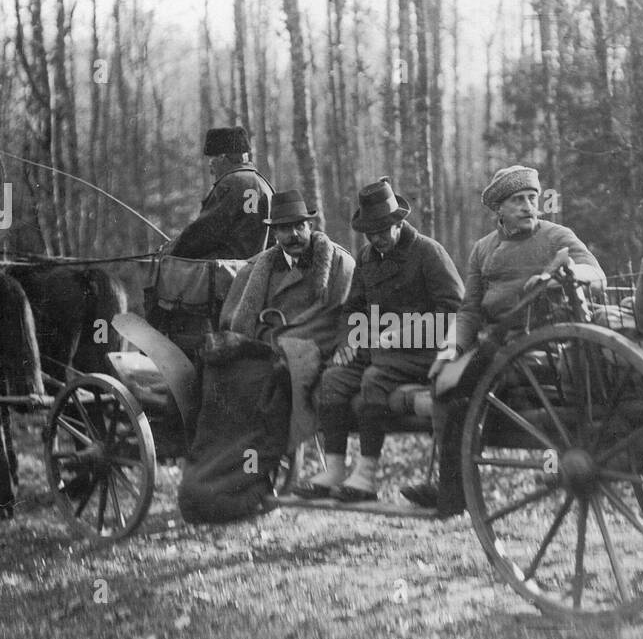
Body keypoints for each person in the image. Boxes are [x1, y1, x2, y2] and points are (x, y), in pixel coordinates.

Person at [401, 165, 605, 514]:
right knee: (444, 383)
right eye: (518, 200)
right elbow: (469, 311)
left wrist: (560, 276)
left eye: (532, 198)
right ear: (499, 210)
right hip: (498, 343)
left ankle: (453, 495)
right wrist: (450, 349)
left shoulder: (556, 236)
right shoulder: (483, 249)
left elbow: (595, 274)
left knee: (467, 388)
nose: (528, 206)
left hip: (546, 346)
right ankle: (450, 484)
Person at [294, 178, 464, 503]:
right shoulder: (368, 258)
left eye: (384, 231)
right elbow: (352, 309)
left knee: (375, 377)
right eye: (371, 233)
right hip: (379, 350)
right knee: (333, 379)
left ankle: (366, 476)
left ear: (400, 223)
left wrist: (402, 334)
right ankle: (333, 470)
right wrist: (347, 342)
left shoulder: (428, 252)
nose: (378, 239)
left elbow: (454, 312)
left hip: (426, 352)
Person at [218, 189, 354, 360]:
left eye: (299, 226)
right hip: (265, 352)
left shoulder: (339, 263)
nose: (294, 235)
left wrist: (283, 341)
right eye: (285, 228)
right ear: (274, 233)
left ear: (310, 227)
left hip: (318, 351)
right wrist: (265, 337)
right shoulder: (255, 270)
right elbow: (236, 323)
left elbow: (339, 318)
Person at [170, 126, 274, 260]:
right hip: (258, 272)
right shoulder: (265, 185)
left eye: (211, 159)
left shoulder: (230, 183)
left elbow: (204, 232)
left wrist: (171, 250)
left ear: (223, 158)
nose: (210, 166)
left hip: (226, 274)